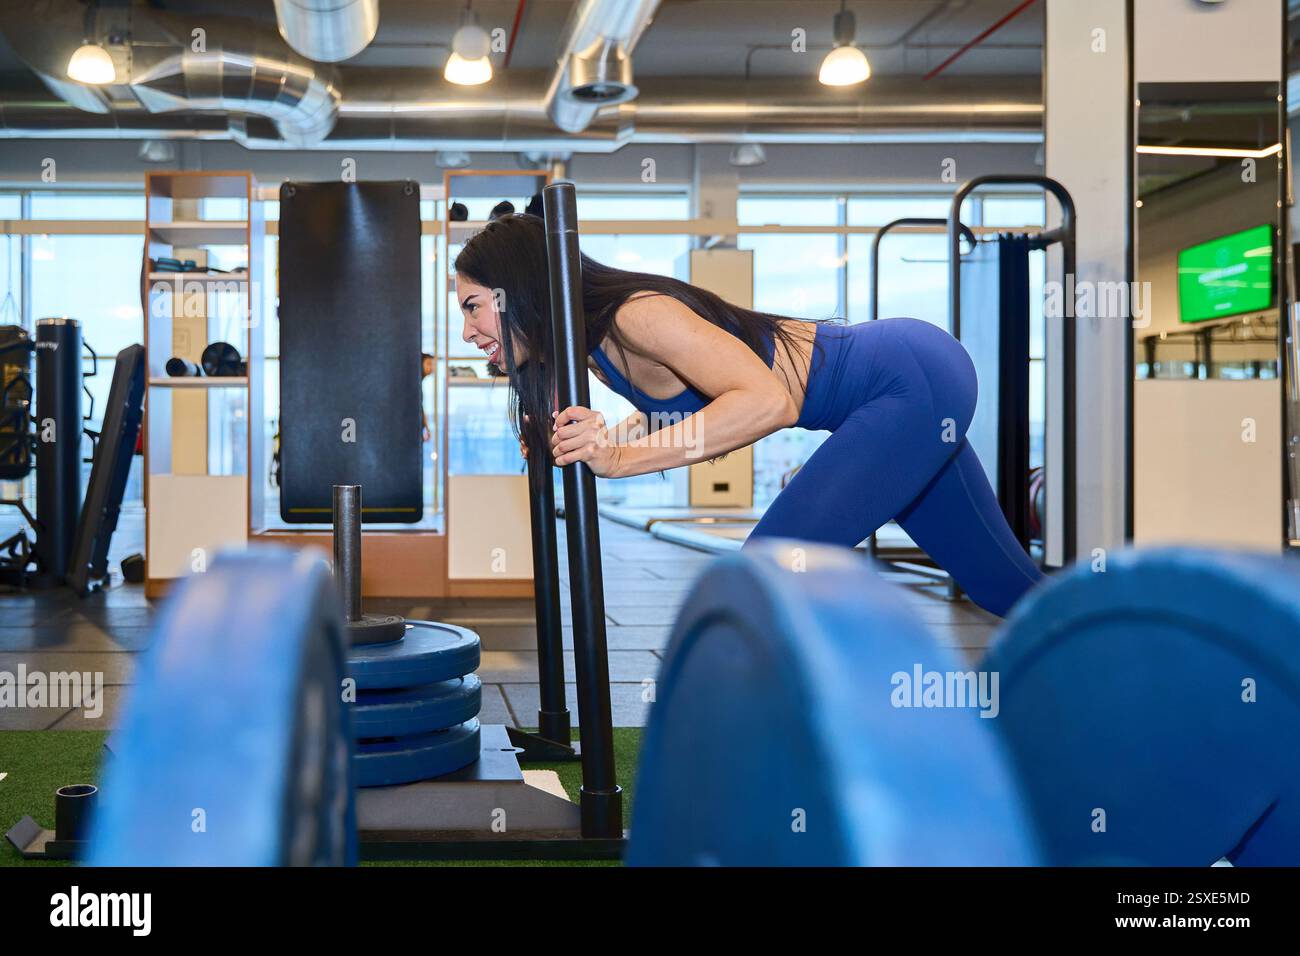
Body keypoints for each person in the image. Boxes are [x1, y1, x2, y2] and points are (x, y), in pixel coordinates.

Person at [453, 214, 1043, 616]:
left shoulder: (636, 316)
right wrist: (606, 437)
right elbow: (683, 406)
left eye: (473, 306)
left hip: (904, 379)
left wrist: (617, 458)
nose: (468, 330)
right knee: (1004, 587)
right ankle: (1123, 685)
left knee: (763, 579)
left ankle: (776, 750)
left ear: (516, 290)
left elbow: (767, 402)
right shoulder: (597, 351)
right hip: (908, 388)